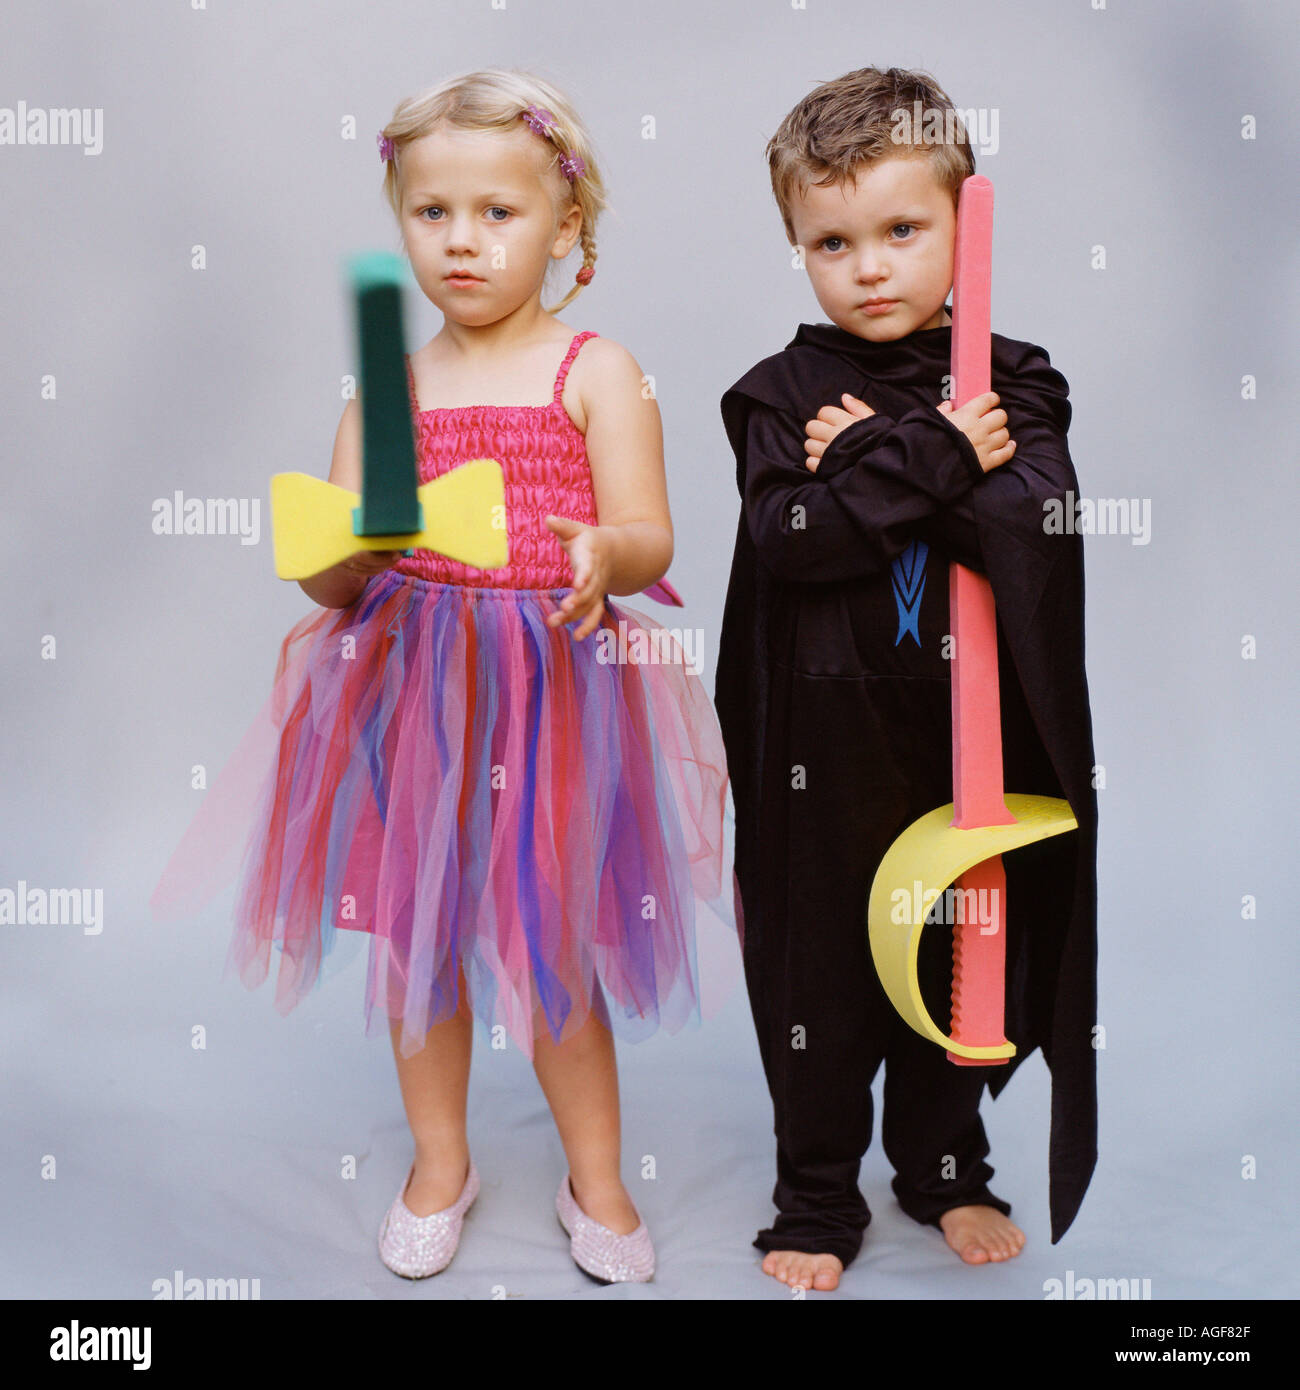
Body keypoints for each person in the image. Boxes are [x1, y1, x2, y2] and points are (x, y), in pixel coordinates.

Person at [151, 67, 733, 1285]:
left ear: (566, 225)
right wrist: (348, 552)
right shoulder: (396, 385)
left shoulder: (595, 371)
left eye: (497, 213)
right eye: (432, 214)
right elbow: (332, 581)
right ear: (401, 218)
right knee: (419, 939)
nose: (461, 241)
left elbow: (650, 533)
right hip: (412, 687)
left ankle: (598, 1176)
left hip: (554, 686)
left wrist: (601, 552)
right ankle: (438, 1162)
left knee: (555, 939)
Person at [714, 65, 1099, 1293]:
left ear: (961, 219)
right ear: (796, 244)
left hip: (966, 739)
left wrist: (872, 460)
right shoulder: (776, 397)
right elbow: (793, 540)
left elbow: (1029, 520)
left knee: (959, 955)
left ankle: (941, 1166)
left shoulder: (1017, 380)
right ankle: (817, 1193)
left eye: (899, 230)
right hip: (818, 751)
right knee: (816, 973)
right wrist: (931, 450)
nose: (868, 266)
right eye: (832, 241)